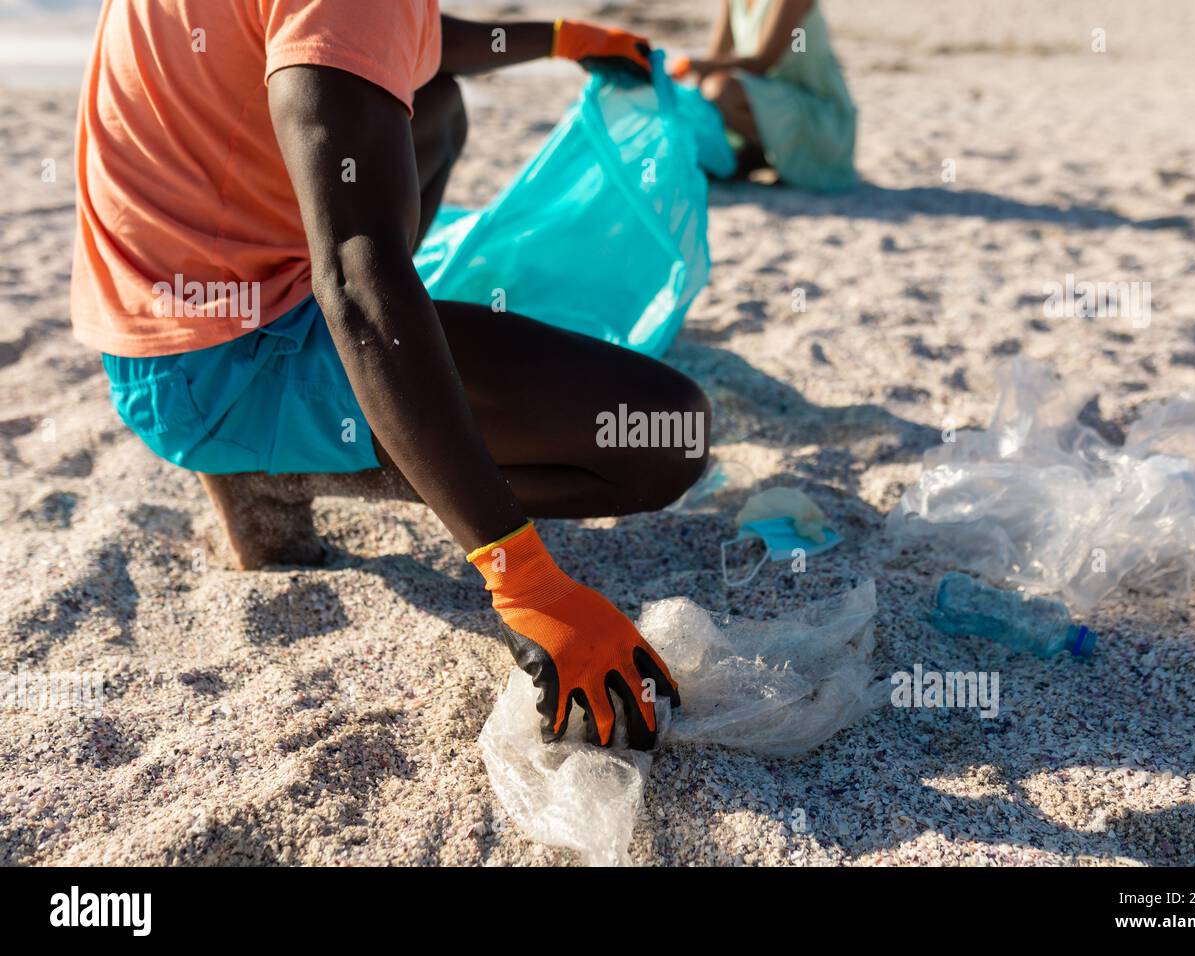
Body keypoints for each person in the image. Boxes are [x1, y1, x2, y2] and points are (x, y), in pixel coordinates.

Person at [71, 1, 712, 750]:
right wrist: (524, 579)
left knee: (431, 102)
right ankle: (272, 468)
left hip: (154, 325)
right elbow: (353, 276)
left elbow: (399, 39)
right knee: (666, 434)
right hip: (221, 366)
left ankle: (315, 432)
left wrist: (565, 40)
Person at [671, 0, 856, 192]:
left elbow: (763, 61)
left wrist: (692, 65)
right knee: (703, 94)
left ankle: (777, 156)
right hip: (773, 99)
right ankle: (757, 153)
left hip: (820, 114)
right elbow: (716, 57)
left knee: (721, 89)